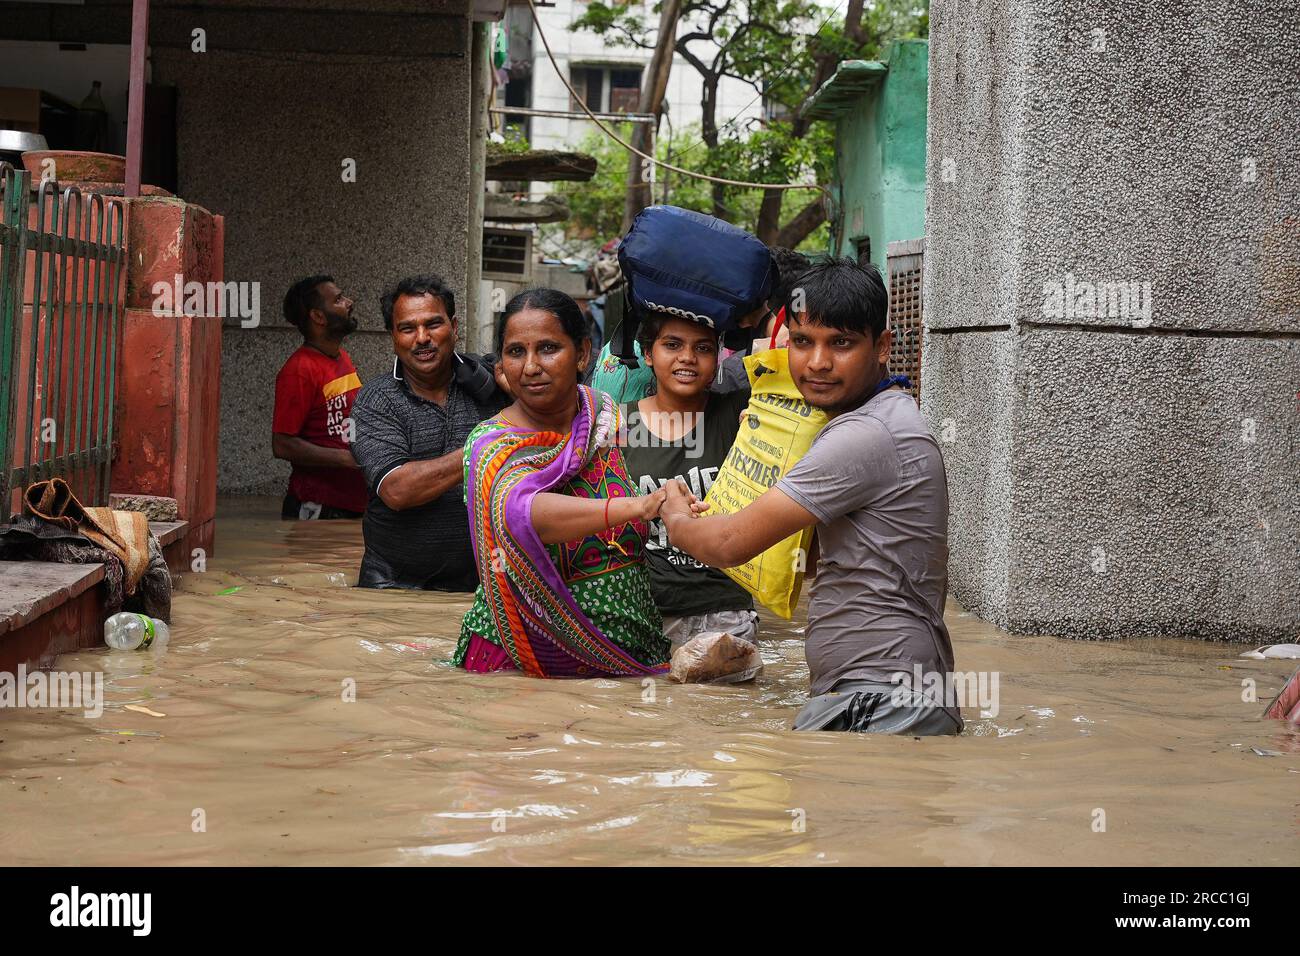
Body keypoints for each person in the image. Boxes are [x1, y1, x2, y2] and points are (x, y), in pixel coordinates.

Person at [660, 258, 960, 735]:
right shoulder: (877, 418)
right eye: (803, 342)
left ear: (881, 347)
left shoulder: (866, 435)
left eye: (841, 343)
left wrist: (674, 512)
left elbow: (728, 545)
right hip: (881, 693)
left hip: (882, 699)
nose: (817, 362)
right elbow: (826, 562)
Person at [455, 288, 681, 677]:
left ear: (582, 354)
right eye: (515, 352)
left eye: (547, 348)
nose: (530, 367)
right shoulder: (490, 446)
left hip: (628, 646)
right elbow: (521, 514)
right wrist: (639, 506)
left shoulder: (601, 415)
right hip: (526, 656)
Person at [349, 275, 507, 590]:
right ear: (393, 336)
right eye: (407, 328)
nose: (422, 338)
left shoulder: (494, 379)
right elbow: (397, 490)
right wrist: (485, 446)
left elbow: (569, 398)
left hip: (481, 584)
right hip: (393, 586)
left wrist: (522, 393)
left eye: (433, 324)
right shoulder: (374, 402)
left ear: (455, 326)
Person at [619, 313, 757, 647]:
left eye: (703, 348)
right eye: (672, 345)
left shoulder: (743, 413)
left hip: (725, 611)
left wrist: (758, 315)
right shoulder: (618, 423)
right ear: (648, 354)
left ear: (718, 357)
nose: (687, 358)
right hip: (638, 610)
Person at [272, 275, 369, 520]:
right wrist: (349, 458)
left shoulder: (341, 357)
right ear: (318, 317)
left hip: (352, 505)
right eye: (338, 300)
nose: (349, 302)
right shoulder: (299, 370)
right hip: (319, 507)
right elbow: (282, 444)